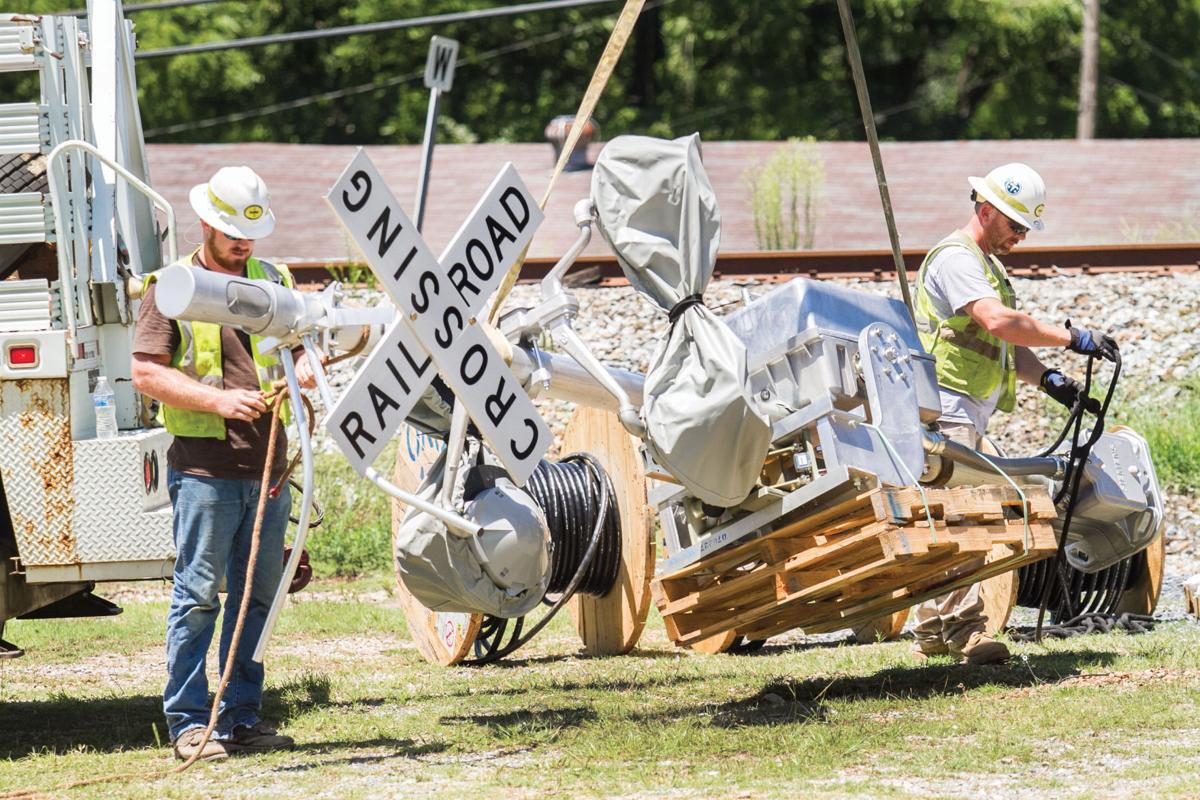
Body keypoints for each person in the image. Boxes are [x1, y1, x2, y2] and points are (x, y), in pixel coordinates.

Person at [133, 166, 317, 760]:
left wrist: (306, 370)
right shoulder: (173, 285)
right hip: (205, 471)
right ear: (206, 223)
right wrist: (217, 401)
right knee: (198, 598)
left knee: (255, 599)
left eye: (251, 234)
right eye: (233, 233)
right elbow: (145, 372)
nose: (243, 245)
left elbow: (300, 350)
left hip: (269, 468)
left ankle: (240, 718)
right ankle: (189, 723)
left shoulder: (274, 280)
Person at [910, 163, 1118, 665]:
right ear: (985, 210)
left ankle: (933, 630)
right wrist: (1072, 338)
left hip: (963, 407)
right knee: (963, 517)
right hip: (947, 405)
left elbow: (1003, 346)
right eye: (1015, 224)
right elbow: (999, 322)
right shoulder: (957, 259)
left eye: (1026, 227)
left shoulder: (986, 266)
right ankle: (965, 631)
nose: (1021, 236)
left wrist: (1050, 382)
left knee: (946, 515)